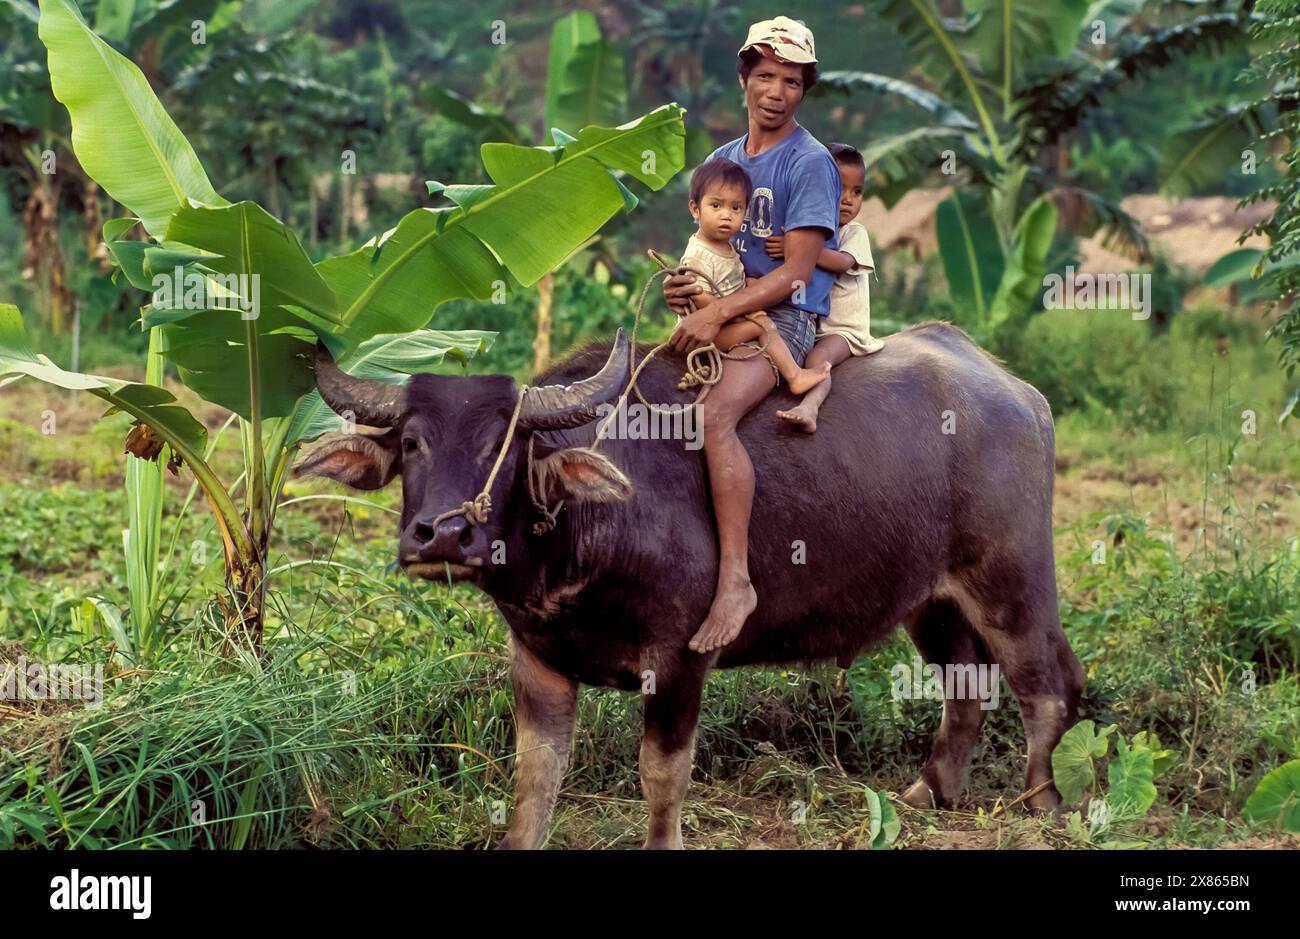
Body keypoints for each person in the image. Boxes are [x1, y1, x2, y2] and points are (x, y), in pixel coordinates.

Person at [663, 16, 841, 654]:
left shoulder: (811, 163)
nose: (776, 91)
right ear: (744, 79)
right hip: (723, 308)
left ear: (803, 90)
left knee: (711, 419)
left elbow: (796, 274)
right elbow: (702, 251)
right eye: (765, 75)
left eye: (791, 81)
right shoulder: (720, 163)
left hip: (783, 319)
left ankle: (737, 580)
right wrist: (686, 293)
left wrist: (716, 313)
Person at [678, 158, 833, 395]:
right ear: (695, 209)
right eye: (716, 206)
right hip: (707, 333)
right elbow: (699, 297)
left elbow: (735, 280)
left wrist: (753, 289)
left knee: (759, 316)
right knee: (763, 325)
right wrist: (743, 314)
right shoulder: (699, 254)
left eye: (736, 208)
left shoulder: (726, 246)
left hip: (721, 324)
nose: (726, 216)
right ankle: (795, 376)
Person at [773, 143, 884, 432]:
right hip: (811, 326)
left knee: (818, 359)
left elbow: (843, 262)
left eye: (857, 192)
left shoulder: (853, 232)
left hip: (843, 331)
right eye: (838, 189)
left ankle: (810, 406)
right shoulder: (811, 228)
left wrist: (796, 247)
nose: (848, 200)